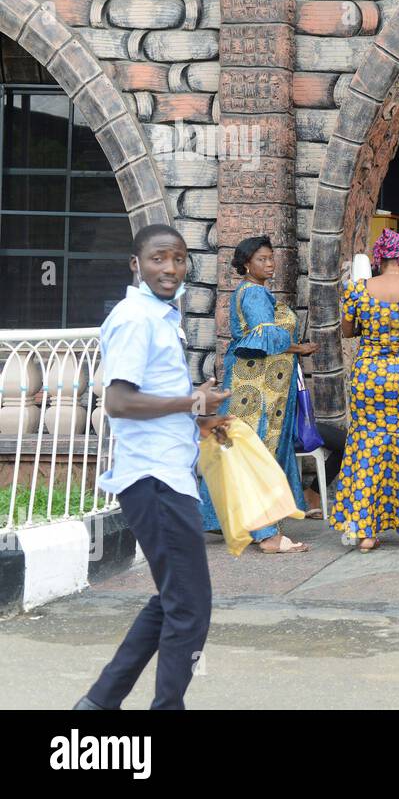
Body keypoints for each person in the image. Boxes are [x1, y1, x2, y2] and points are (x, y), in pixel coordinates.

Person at [76, 225, 234, 711]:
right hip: (153, 479)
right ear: (135, 264)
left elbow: (152, 396)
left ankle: (100, 702)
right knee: (190, 606)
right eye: (158, 259)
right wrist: (191, 402)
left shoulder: (161, 316)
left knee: (174, 598)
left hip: (166, 473)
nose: (170, 269)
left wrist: (200, 419)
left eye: (179, 259)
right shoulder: (135, 318)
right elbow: (119, 401)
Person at [197, 236, 317, 554]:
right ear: (247, 263)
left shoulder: (258, 291)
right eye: (262, 259)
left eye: (271, 258)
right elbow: (266, 336)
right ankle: (267, 535)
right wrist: (299, 347)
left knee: (242, 450)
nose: (269, 263)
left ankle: (234, 521)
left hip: (265, 385)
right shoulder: (252, 294)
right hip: (257, 389)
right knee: (257, 451)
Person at [330, 229, 399, 553]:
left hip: (370, 377)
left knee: (368, 450)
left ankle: (365, 534)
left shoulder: (358, 290)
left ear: (379, 259)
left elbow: (348, 331)